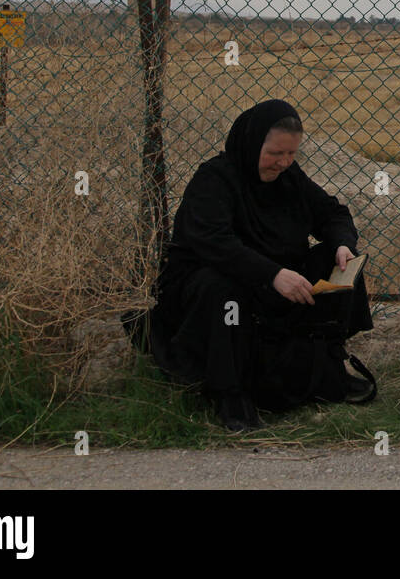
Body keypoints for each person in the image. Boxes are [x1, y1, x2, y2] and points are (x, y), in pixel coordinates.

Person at [147, 99, 375, 431]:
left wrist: (343, 243)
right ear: (252, 143)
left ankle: (326, 369)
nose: (283, 162)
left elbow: (332, 213)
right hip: (214, 287)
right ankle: (231, 392)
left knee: (332, 259)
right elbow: (214, 243)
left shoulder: (288, 177)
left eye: (291, 154)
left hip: (272, 281)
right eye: (274, 154)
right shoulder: (215, 179)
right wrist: (272, 275)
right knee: (222, 289)